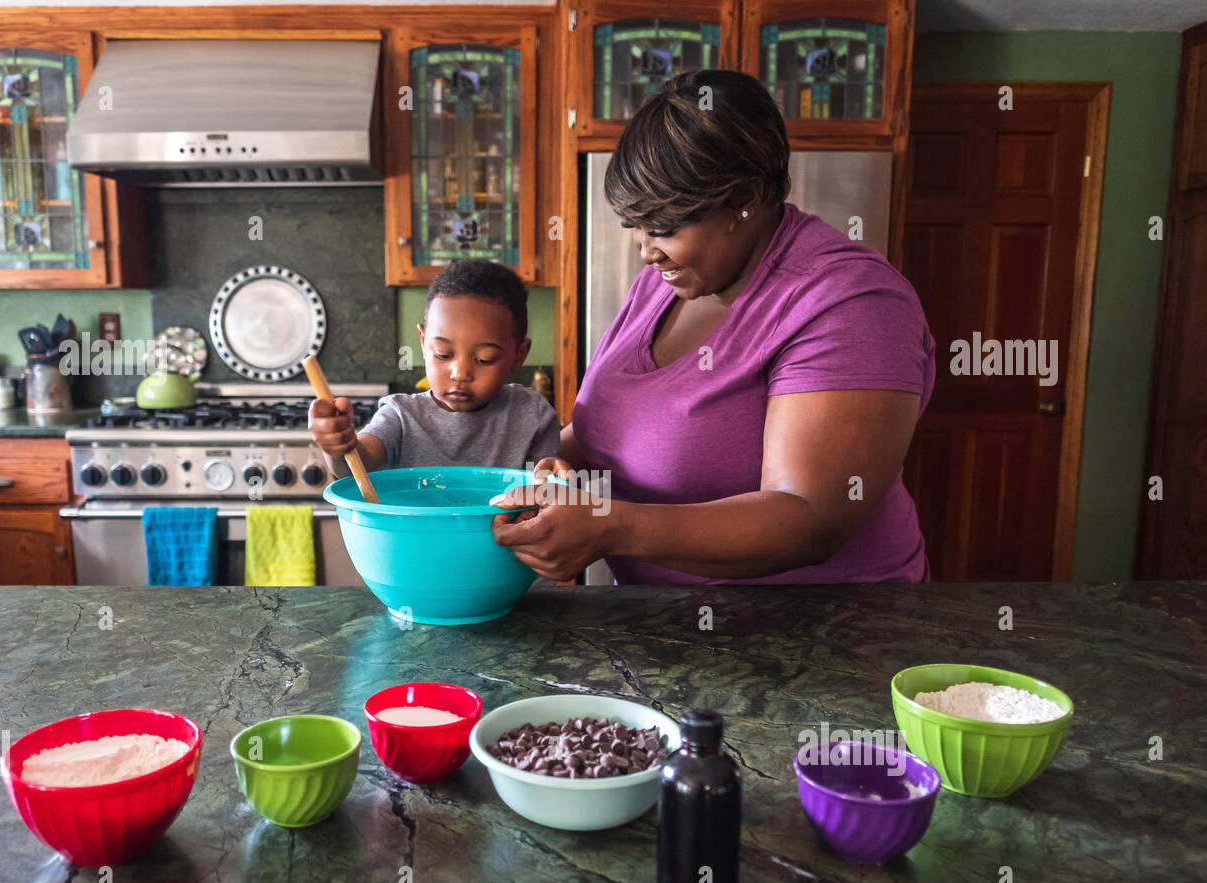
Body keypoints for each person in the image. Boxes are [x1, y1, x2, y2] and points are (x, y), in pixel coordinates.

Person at [493, 68, 936, 584]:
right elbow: (609, 437)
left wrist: (612, 528)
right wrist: (547, 472)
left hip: (827, 644)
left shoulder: (852, 301)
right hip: (671, 637)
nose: (644, 249)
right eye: (634, 226)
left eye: (662, 226)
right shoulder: (671, 281)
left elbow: (810, 518)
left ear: (744, 198)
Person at [308, 260, 561, 474]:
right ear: (422, 341)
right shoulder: (401, 416)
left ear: (519, 355)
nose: (460, 373)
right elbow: (357, 466)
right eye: (443, 354)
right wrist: (339, 447)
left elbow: (542, 500)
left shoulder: (533, 415)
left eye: (484, 359)